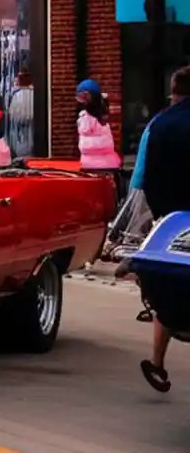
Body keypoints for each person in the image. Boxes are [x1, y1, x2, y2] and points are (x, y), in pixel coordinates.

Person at [131, 66, 190, 393]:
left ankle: (157, 362)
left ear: (174, 92)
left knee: (166, 289)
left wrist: (152, 219)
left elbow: (142, 177)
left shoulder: (158, 124)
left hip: (170, 223)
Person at [76, 78, 121, 173]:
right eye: (82, 98)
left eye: (86, 97)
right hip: (102, 165)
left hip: (96, 167)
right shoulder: (101, 116)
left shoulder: (88, 118)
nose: (85, 102)